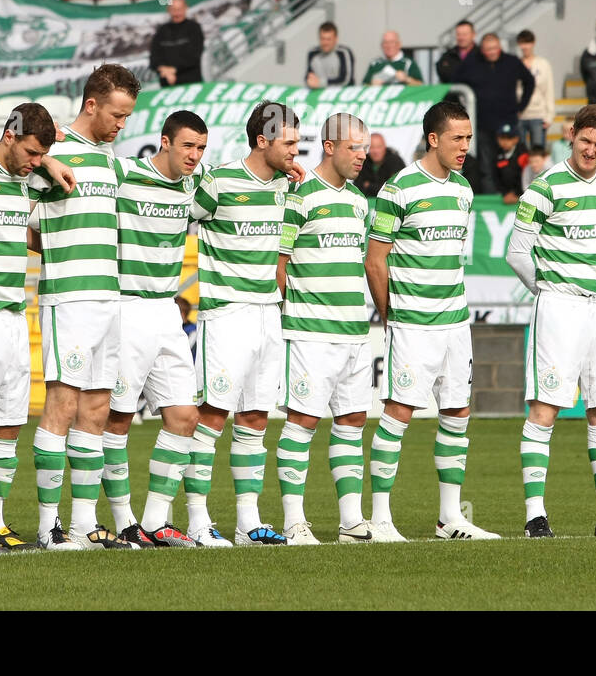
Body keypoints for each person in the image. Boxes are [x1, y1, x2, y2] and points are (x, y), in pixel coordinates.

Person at [505, 103, 596, 540]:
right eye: (585, 141)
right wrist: (550, 290)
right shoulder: (543, 188)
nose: (591, 150)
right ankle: (535, 517)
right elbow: (516, 253)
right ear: (570, 134)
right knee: (545, 408)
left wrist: (595, 285)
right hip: (561, 308)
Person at [365, 101, 500, 541]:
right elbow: (375, 262)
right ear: (434, 139)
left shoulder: (463, 189)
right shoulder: (398, 189)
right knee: (399, 412)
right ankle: (380, 519)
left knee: (458, 412)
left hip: (455, 324)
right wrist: (393, 316)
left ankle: (449, 519)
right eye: (457, 138)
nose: (465, 147)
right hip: (413, 324)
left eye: (469, 138)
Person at [30, 64, 141, 551]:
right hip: (69, 297)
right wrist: (56, 250)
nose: (122, 124)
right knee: (62, 404)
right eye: (117, 114)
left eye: (128, 116)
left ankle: (82, 525)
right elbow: (21, 217)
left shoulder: (111, 159)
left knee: (97, 408)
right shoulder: (51, 154)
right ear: (91, 104)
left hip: (108, 297)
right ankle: (48, 526)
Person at [185, 101, 301, 547]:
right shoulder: (217, 182)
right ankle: (197, 521)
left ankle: (248, 523)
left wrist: (296, 171)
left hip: (269, 314)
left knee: (255, 417)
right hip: (226, 313)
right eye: (288, 143)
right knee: (211, 415)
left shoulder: (287, 187)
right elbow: (181, 217)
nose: (295, 151)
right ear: (261, 141)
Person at [100, 110, 212, 548]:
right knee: (117, 418)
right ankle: (124, 520)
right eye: (187, 145)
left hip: (167, 312)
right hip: (126, 308)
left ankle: (154, 521)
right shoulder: (126, 174)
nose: (194, 155)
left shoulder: (193, 187)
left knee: (185, 417)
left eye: (201, 148)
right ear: (165, 142)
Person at [275, 114, 381, 543]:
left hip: (354, 333)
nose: (363, 155)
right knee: (302, 422)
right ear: (331, 146)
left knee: (353, 422)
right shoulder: (299, 195)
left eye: (366, 148)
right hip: (310, 333)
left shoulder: (359, 201)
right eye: (355, 148)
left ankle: (351, 521)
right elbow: (278, 267)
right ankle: (293, 521)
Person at [0, 102, 59, 552]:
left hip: (15, 314)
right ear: (9, 136)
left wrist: (47, 164)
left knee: (7, 423)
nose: (36, 163)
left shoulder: (29, 183)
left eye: (43, 155)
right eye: (33, 152)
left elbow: (27, 231)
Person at [456, 32, 536, 193]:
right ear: (482, 50)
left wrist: (521, 107)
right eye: (487, 49)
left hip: (509, 125)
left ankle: (519, 196)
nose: (491, 52)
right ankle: (491, 202)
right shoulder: (472, 63)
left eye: (494, 48)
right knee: (486, 167)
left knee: (516, 164)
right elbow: (454, 82)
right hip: (483, 125)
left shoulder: (512, 62)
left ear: (499, 47)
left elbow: (530, 81)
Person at [149, 0, 204, 87]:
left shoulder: (194, 28)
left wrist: (174, 70)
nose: (177, 13)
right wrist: (164, 70)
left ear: (186, 8)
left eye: (180, 9)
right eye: (173, 9)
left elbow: (195, 56)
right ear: (168, 10)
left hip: (191, 84)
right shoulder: (161, 31)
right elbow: (154, 58)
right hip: (167, 84)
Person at [516, 29, 554, 152]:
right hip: (519, 115)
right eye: (522, 43)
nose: (525, 46)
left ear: (533, 43)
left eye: (527, 42)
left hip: (538, 114)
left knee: (538, 154)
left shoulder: (543, 64)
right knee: (520, 154)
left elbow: (549, 90)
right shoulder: (516, 64)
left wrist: (550, 115)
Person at [305, 21, 356, 88]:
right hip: (319, 93)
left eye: (328, 39)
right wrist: (309, 81)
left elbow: (346, 80)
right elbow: (309, 75)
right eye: (322, 39)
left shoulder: (343, 53)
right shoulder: (312, 53)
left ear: (335, 39)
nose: (325, 43)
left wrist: (321, 83)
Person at [354, 132, 406, 197]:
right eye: (372, 147)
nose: (376, 151)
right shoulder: (363, 161)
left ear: (384, 147)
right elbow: (357, 187)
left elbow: (397, 188)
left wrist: (369, 186)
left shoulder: (396, 161)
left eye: (379, 147)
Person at [493, 123, 530, 203]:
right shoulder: (497, 154)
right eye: (502, 138)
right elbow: (496, 178)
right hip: (504, 196)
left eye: (509, 138)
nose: (505, 142)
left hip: (522, 195)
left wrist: (516, 194)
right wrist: (505, 193)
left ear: (516, 139)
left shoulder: (523, 154)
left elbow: (526, 177)